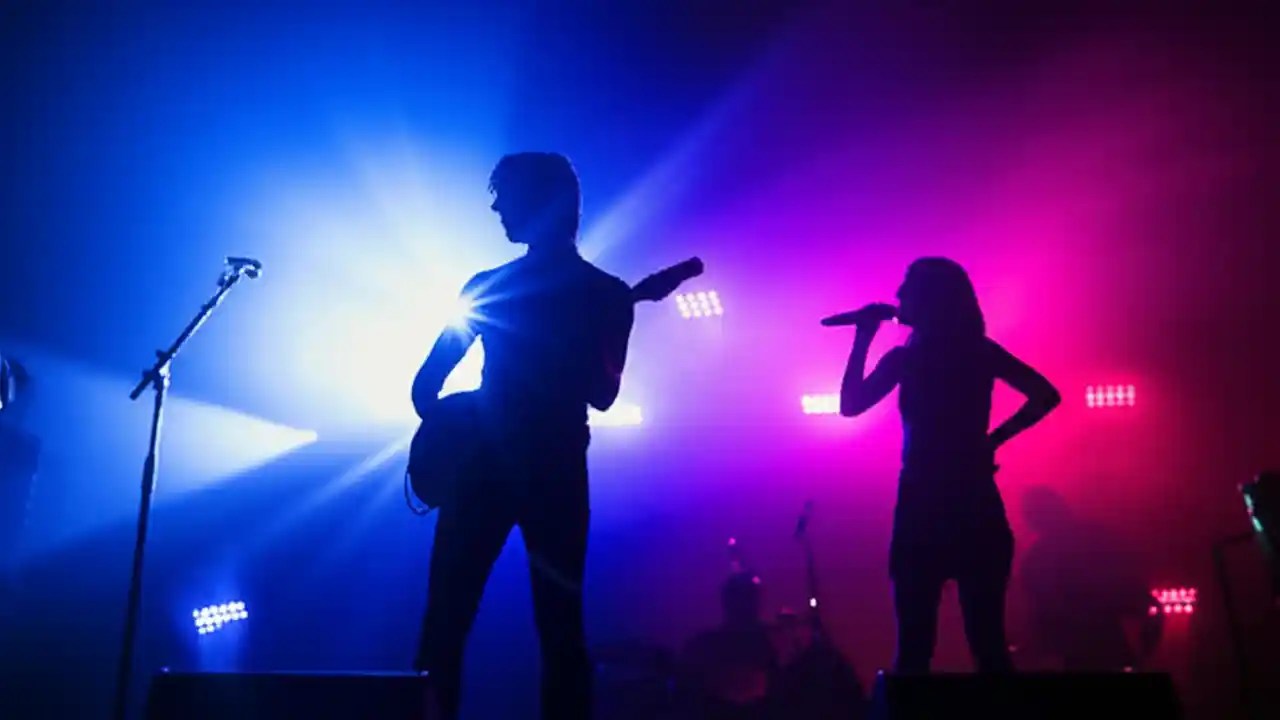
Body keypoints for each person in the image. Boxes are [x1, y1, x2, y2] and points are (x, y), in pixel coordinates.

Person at [410, 152, 635, 719]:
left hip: (485, 470)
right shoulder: (605, 292)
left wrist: (462, 424)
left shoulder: (489, 286)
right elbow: (602, 395)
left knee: (445, 625)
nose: (494, 206)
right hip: (554, 469)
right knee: (559, 628)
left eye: (504, 193)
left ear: (538, 200)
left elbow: (424, 388)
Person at [838, 257, 1060, 673]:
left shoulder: (907, 359)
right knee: (989, 647)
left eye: (907, 288)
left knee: (914, 651)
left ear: (929, 299)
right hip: (974, 500)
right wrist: (992, 441)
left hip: (922, 504)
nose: (898, 295)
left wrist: (863, 336)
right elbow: (1046, 394)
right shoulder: (978, 351)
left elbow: (850, 405)